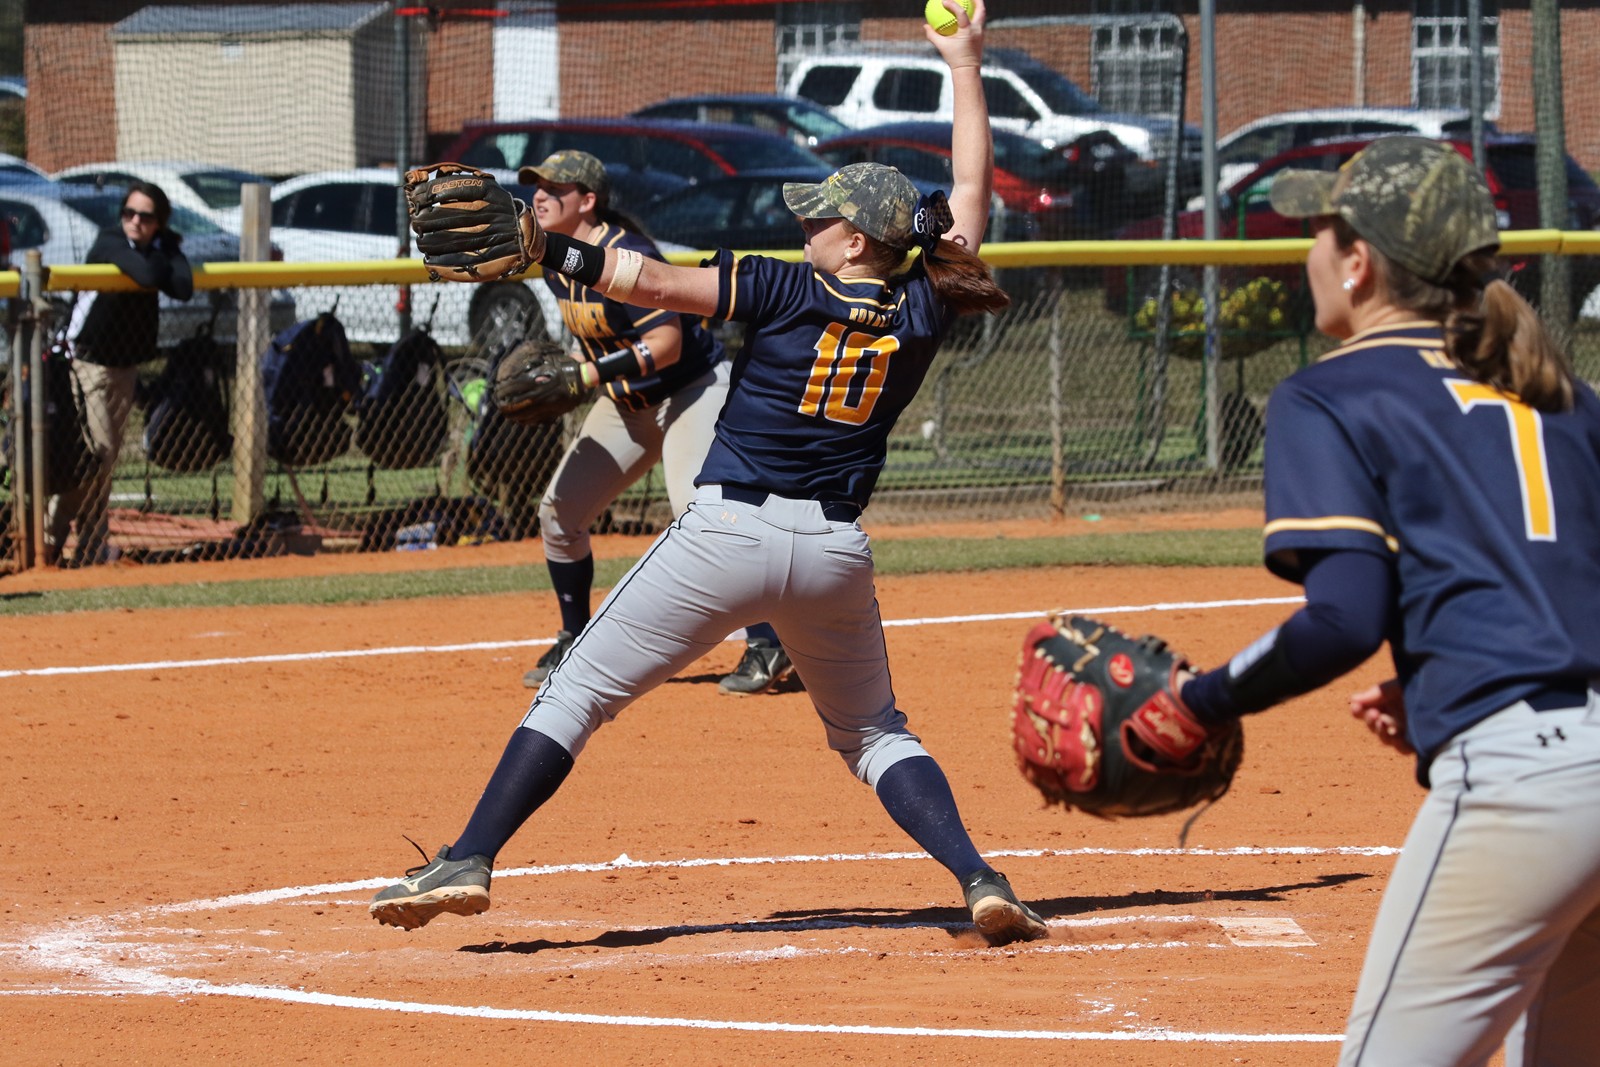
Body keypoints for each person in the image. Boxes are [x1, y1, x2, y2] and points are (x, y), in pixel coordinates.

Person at [372, 0, 1051, 946]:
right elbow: (969, 199)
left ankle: (469, 854)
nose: (808, 227)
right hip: (831, 552)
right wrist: (965, 62)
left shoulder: (784, 285)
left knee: (574, 693)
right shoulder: (925, 305)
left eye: (824, 220)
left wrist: (546, 248)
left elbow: (648, 285)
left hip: (726, 532)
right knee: (874, 732)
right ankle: (979, 875)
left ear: (858, 241)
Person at [1169, 136, 1600, 1064]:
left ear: (1358, 263)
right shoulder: (1569, 395)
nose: (1307, 252)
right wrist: (1458, 664)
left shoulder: (1331, 394)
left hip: (1527, 786)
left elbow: (1343, 618)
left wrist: (1199, 700)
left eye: (1318, 230)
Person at [512, 149, 793, 695]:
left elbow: (665, 344)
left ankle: (768, 641)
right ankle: (574, 635)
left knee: (702, 517)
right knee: (559, 513)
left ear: (588, 201)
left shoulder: (625, 252)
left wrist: (587, 375)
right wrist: (575, 373)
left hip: (691, 390)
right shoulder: (553, 260)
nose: (540, 195)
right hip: (628, 402)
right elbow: (592, 333)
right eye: (536, 186)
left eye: (555, 188)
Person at [46, 180, 192, 566]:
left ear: (158, 222)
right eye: (130, 213)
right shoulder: (109, 241)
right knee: (96, 456)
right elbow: (145, 275)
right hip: (85, 365)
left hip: (124, 368)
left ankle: (86, 546)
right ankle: (54, 539)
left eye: (146, 217)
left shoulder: (158, 245)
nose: (135, 222)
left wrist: (160, 253)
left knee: (101, 462)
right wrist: (160, 255)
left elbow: (184, 286)